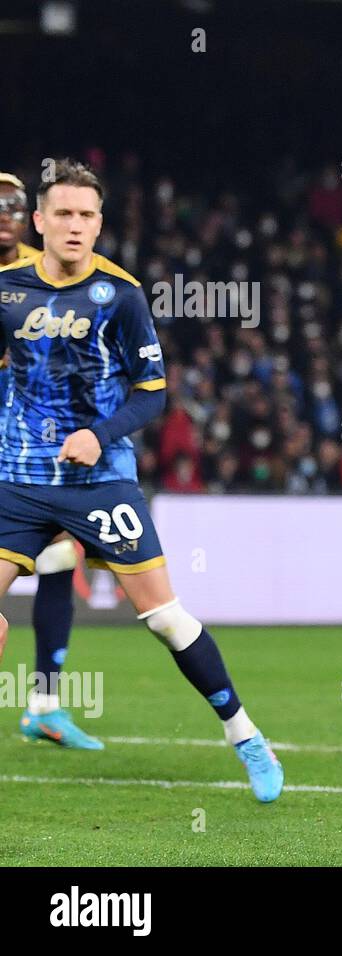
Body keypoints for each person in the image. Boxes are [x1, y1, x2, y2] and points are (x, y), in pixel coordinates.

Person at [0, 160, 282, 801]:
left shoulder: (120, 295)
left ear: (100, 223)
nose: (75, 226)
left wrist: (97, 434)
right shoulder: (7, 291)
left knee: (163, 618)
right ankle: (43, 706)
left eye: (87, 215)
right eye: (63, 214)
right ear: (39, 222)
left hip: (99, 479)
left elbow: (151, 392)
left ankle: (246, 736)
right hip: (15, 478)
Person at [0, 170, 96, 748]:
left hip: (28, 444)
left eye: (14, 203)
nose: (5, 212)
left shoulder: (46, 272)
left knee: (61, 557)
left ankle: (44, 703)